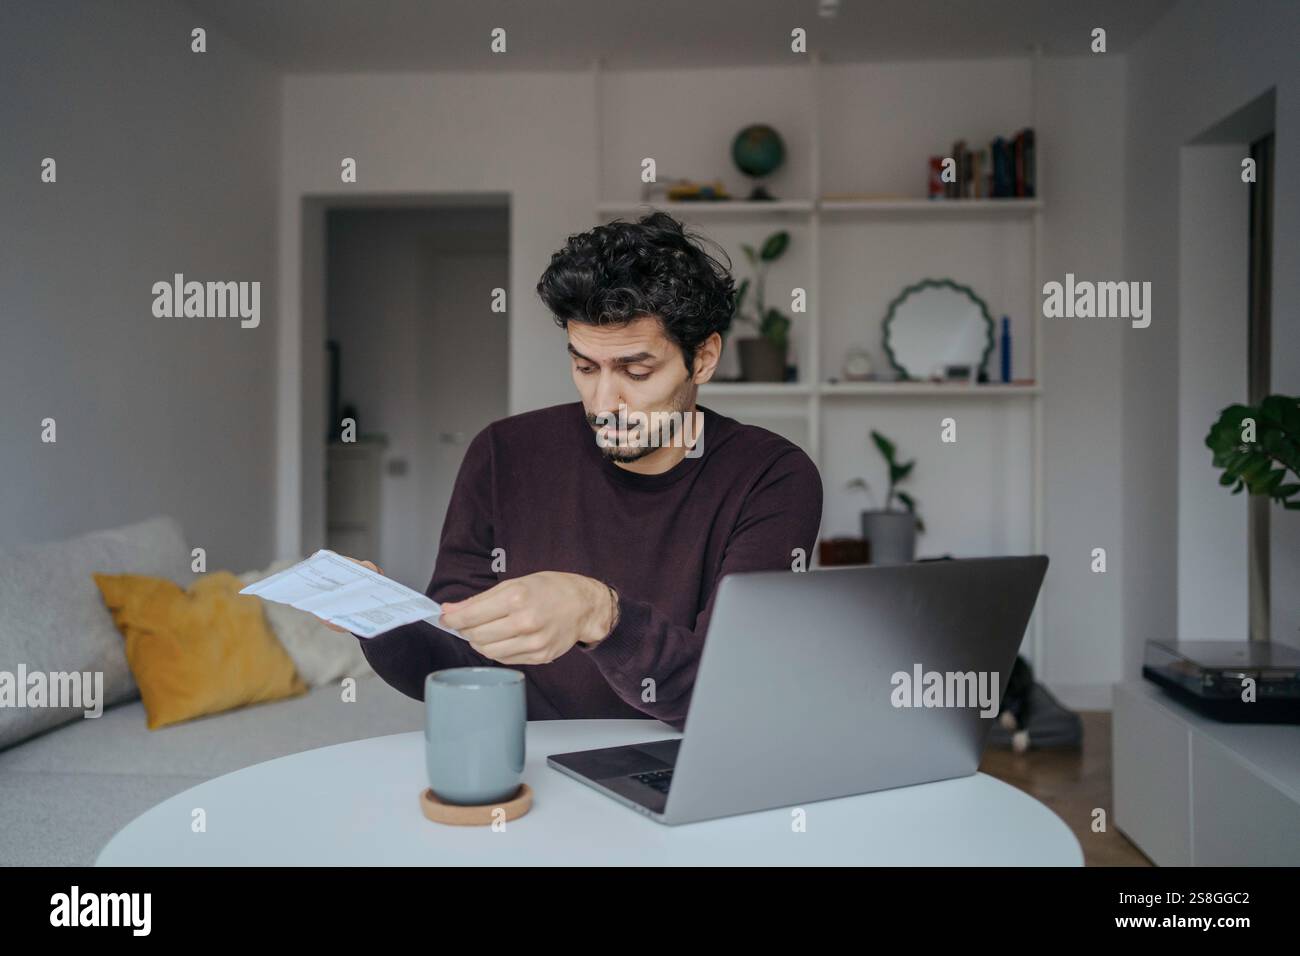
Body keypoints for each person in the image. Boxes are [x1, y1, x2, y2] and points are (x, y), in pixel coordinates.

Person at [332, 212, 822, 731]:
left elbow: (728, 689)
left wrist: (599, 612)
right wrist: (378, 616)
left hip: (678, 759)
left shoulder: (772, 477)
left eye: (636, 371)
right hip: (530, 760)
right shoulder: (504, 453)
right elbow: (454, 662)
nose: (604, 402)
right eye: (585, 368)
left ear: (703, 359)